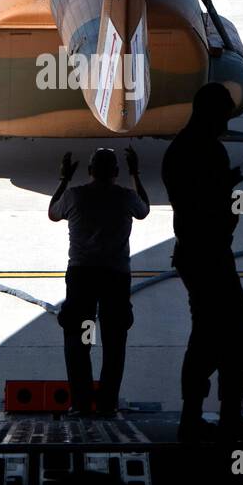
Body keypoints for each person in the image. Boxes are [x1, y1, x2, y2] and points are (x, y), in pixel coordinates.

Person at [161, 83, 243, 443]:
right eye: (224, 115)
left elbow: (197, 201)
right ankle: (222, 419)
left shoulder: (183, 149)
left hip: (199, 254)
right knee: (234, 336)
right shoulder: (207, 151)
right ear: (211, 114)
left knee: (213, 336)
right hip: (208, 255)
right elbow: (209, 208)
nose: (226, 123)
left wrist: (228, 189)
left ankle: (200, 417)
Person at [48, 146, 150, 416]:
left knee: (80, 339)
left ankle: (81, 403)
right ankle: (107, 403)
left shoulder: (74, 196)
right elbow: (145, 210)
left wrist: (64, 179)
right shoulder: (126, 197)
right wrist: (135, 173)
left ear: (89, 171)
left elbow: (52, 212)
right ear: (116, 172)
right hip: (115, 276)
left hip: (82, 276)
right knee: (114, 342)